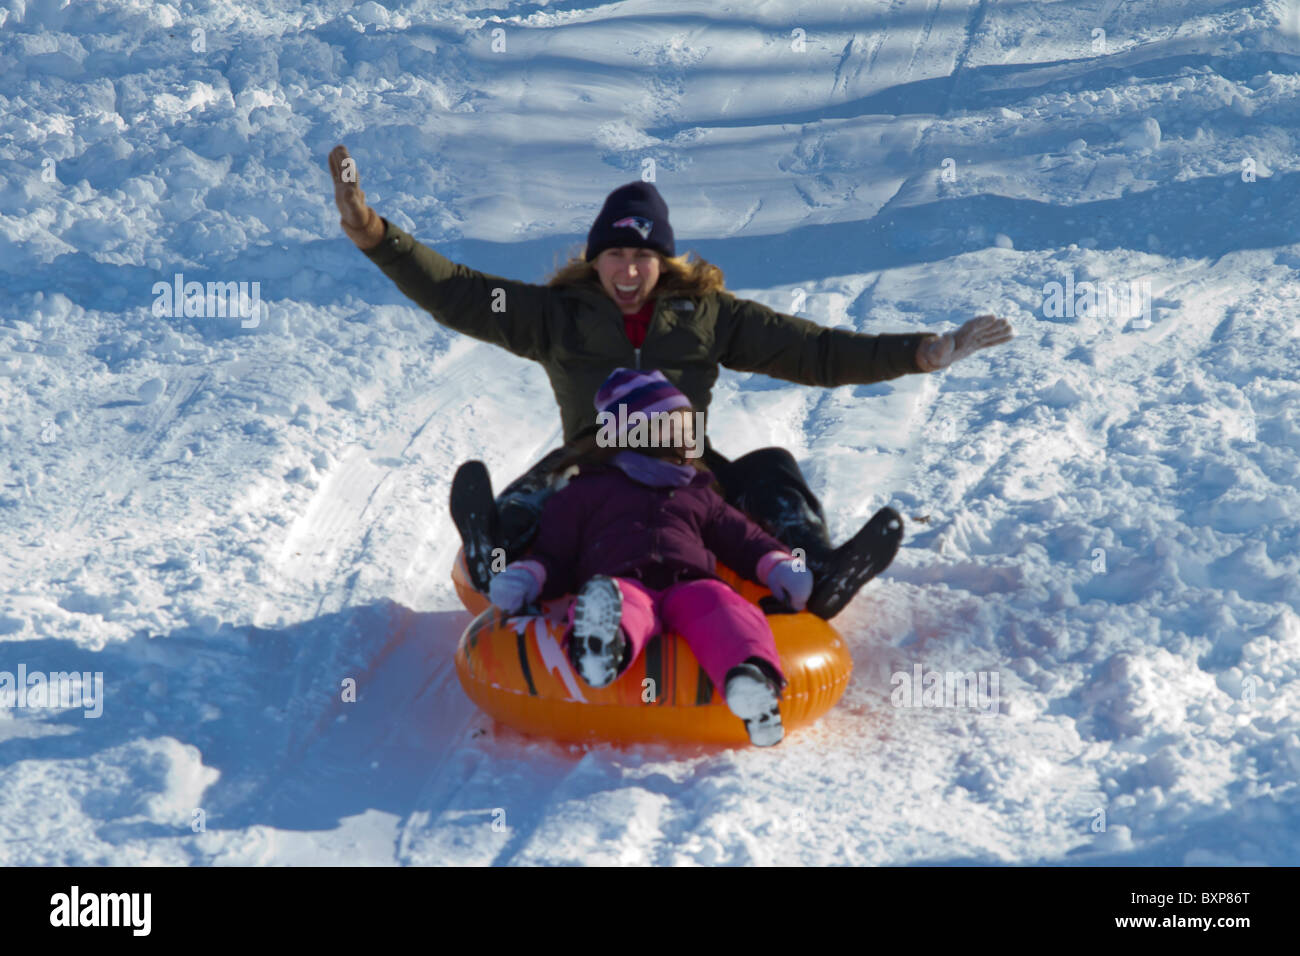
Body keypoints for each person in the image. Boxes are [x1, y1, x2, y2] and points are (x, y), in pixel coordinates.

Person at [328, 145, 1013, 616]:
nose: (628, 271)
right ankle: (492, 550)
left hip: (687, 467)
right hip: (590, 460)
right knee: (543, 493)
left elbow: (816, 351)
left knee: (771, 468)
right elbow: (460, 292)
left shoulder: (709, 315)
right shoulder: (554, 315)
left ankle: (818, 569)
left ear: (665, 261)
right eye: (616, 255)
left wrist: (921, 352)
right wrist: (374, 234)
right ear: (596, 261)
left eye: (643, 257)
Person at [483, 369, 816, 747]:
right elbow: (554, 555)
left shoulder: (698, 492)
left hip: (690, 583)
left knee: (724, 606)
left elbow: (744, 540)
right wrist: (528, 576)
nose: (687, 435)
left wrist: (778, 565)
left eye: (687, 425)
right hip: (623, 580)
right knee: (616, 601)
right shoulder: (584, 492)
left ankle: (751, 682)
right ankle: (601, 649)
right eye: (672, 425)